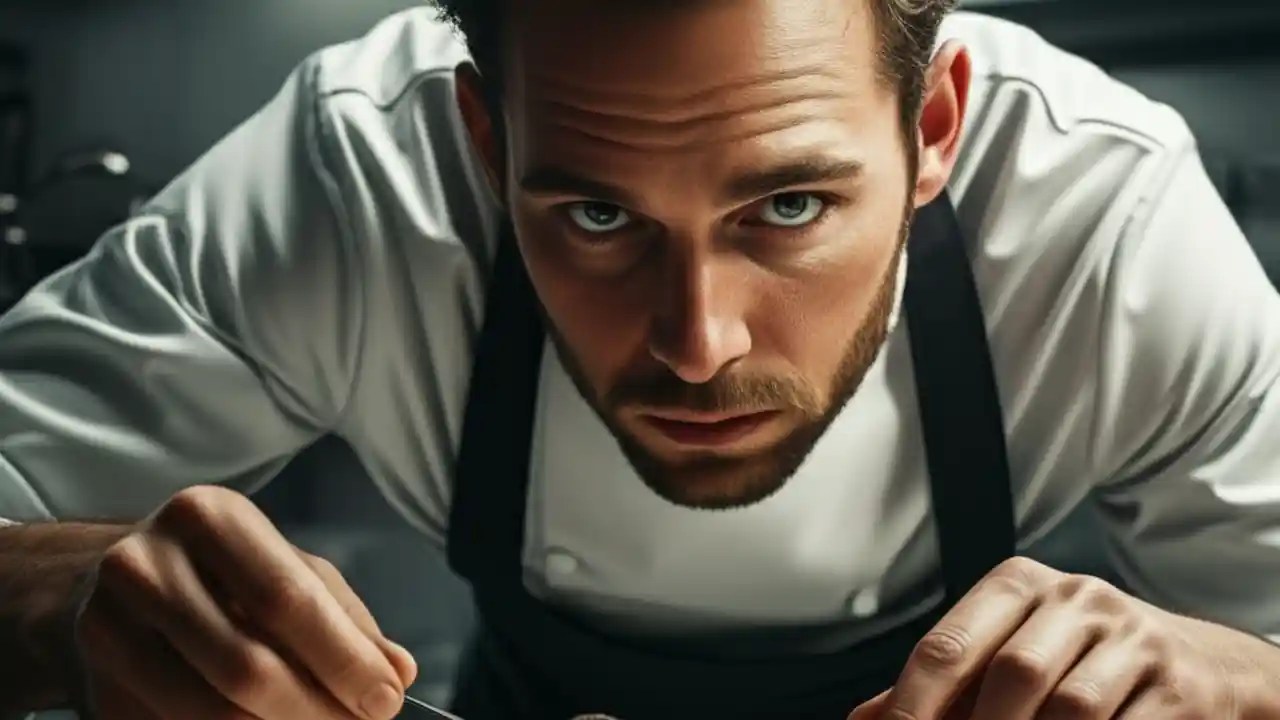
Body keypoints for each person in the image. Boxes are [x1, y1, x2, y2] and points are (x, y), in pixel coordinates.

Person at [1, 0, 1279, 718]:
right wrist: (72, 599)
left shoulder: (1108, 220)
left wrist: (1241, 685)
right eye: (597, 216)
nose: (696, 344)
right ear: (481, 138)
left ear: (933, 123)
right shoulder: (346, 183)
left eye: (786, 209)